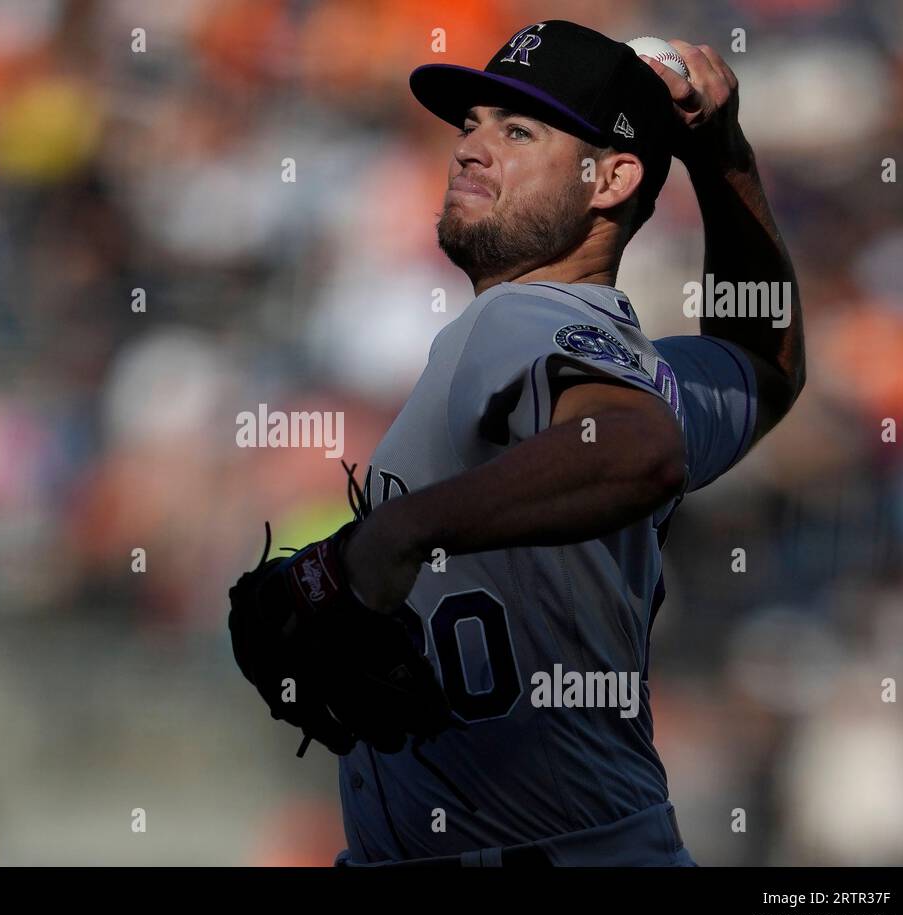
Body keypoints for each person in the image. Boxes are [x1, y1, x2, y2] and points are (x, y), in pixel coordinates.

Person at [332, 20, 804, 865]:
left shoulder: (524, 317)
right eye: (471, 123)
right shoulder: (638, 364)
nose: (471, 148)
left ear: (613, 177)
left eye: (518, 132)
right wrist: (723, 159)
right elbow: (762, 364)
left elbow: (632, 450)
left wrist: (394, 534)